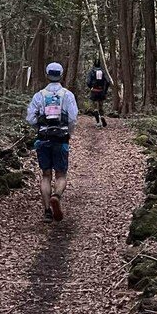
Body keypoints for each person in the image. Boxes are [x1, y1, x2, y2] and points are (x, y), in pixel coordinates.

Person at [26, 61, 78, 221]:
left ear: (47, 75)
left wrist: (39, 126)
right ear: (61, 75)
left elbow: (30, 118)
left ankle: (47, 210)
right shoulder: (67, 95)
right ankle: (56, 195)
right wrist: (68, 132)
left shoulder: (39, 96)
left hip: (43, 139)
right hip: (60, 139)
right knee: (61, 174)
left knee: (46, 175)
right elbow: (72, 118)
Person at [86, 59, 111, 127]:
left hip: (94, 91)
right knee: (100, 106)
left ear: (94, 64)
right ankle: (102, 116)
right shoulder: (103, 72)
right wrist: (105, 90)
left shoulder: (92, 72)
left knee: (94, 107)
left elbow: (88, 82)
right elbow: (108, 82)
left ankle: (98, 122)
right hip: (101, 91)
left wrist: (91, 87)